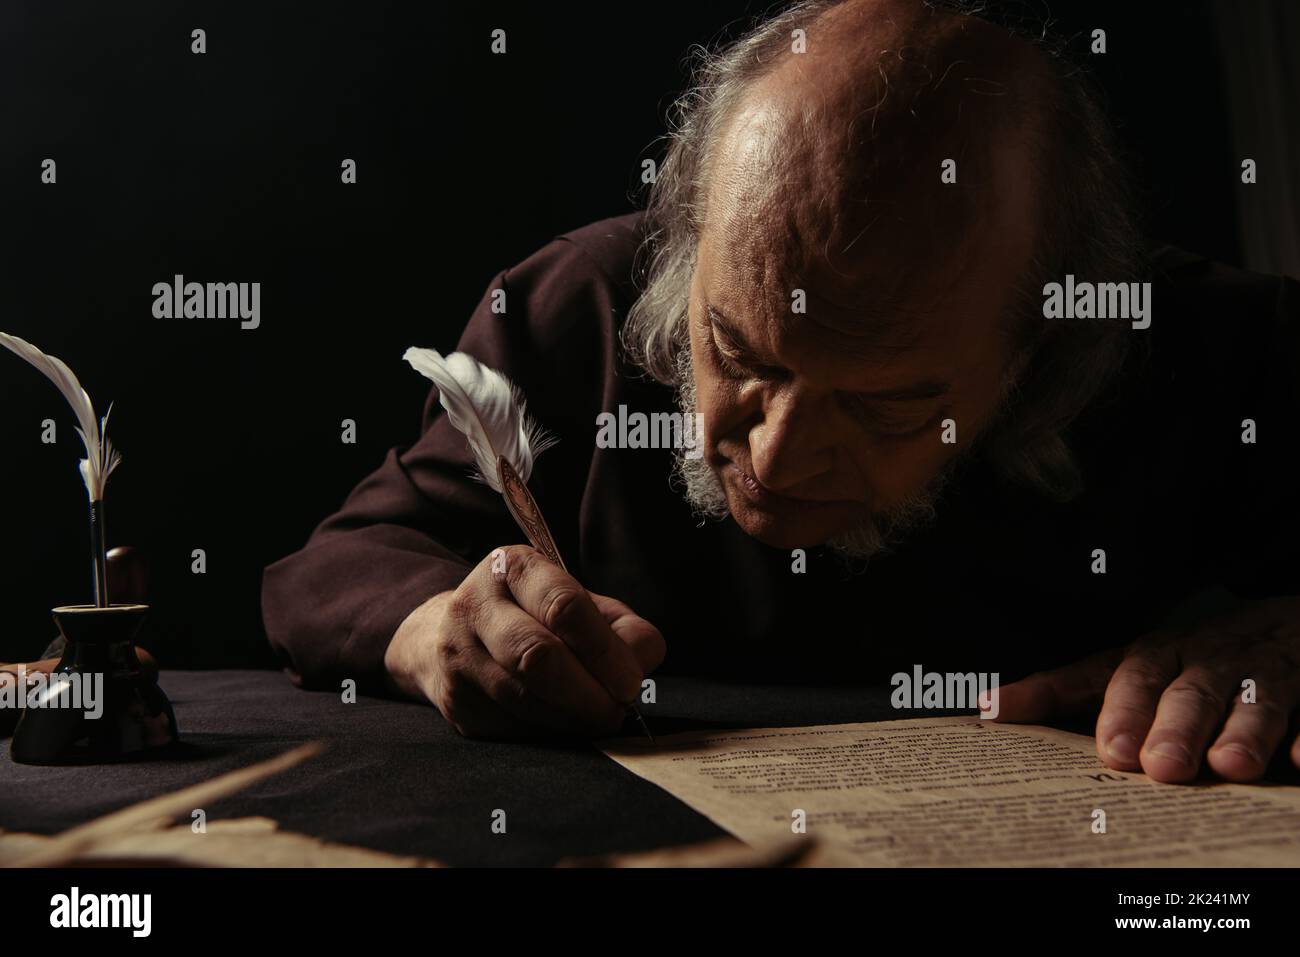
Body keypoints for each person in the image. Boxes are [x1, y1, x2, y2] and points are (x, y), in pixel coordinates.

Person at [263, 0, 1300, 783]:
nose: (775, 460)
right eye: (739, 353)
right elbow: (338, 566)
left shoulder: (1224, 350)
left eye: (887, 404)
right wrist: (431, 624)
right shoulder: (576, 308)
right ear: (689, 244)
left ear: (1044, 351)